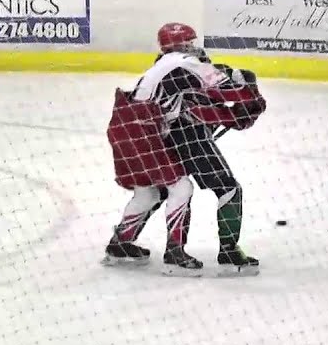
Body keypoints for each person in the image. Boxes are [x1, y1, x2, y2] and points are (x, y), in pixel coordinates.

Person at [105, 22, 266, 275]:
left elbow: (191, 106)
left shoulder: (162, 66)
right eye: (192, 42)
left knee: (149, 192)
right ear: (185, 45)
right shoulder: (186, 63)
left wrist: (230, 114)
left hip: (124, 130)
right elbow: (234, 91)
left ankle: (120, 245)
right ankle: (184, 253)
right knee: (184, 188)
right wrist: (251, 93)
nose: (196, 47)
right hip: (147, 133)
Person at [166, 53, 265, 273]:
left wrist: (243, 110)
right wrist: (246, 104)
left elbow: (234, 112)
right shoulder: (205, 83)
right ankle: (228, 251)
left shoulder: (180, 77)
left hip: (163, 138)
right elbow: (215, 111)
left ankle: (123, 243)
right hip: (191, 138)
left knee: (167, 191)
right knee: (228, 188)